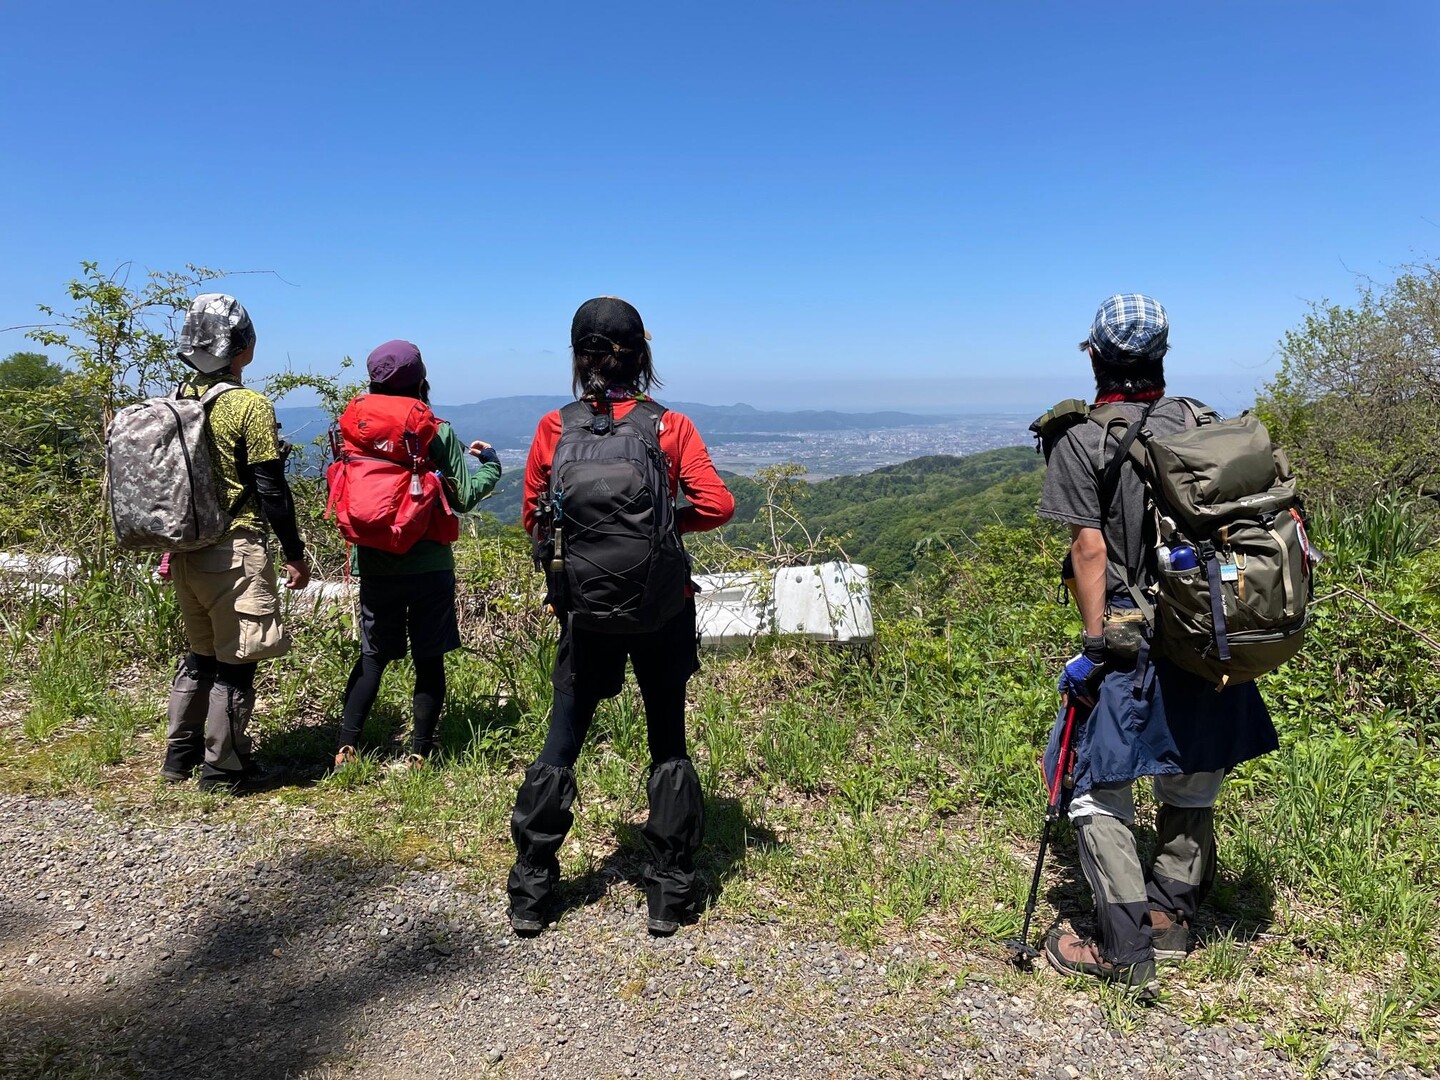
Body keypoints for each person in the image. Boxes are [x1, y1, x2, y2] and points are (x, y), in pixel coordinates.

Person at [1037, 294, 1280, 995]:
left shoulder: (1080, 440)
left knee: (1094, 783)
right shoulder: (1204, 424)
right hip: (1211, 627)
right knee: (1192, 769)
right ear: (1162, 355)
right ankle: (1171, 916)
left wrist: (1093, 644)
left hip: (1129, 634)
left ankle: (1124, 945)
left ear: (1094, 354)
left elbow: (1089, 550)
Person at [506, 297, 735, 937]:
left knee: (564, 736)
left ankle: (530, 890)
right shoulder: (669, 427)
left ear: (580, 359)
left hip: (585, 610)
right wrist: (666, 524)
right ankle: (668, 892)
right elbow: (719, 504)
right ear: (643, 355)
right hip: (661, 608)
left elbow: (533, 516)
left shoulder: (555, 427)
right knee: (667, 734)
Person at [163, 294, 310, 793]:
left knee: (200, 655)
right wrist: (294, 552)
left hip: (185, 549)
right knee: (237, 659)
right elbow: (270, 489)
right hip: (234, 549)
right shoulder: (248, 406)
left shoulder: (180, 399)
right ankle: (223, 767)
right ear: (243, 347)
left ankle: (178, 756)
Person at [333, 340, 501, 769]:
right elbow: (462, 496)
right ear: (420, 378)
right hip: (428, 563)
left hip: (373, 559)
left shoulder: (355, 424)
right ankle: (418, 754)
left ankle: (346, 748)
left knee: (373, 655)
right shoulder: (433, 428)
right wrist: (492, 465)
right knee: (428, 657)